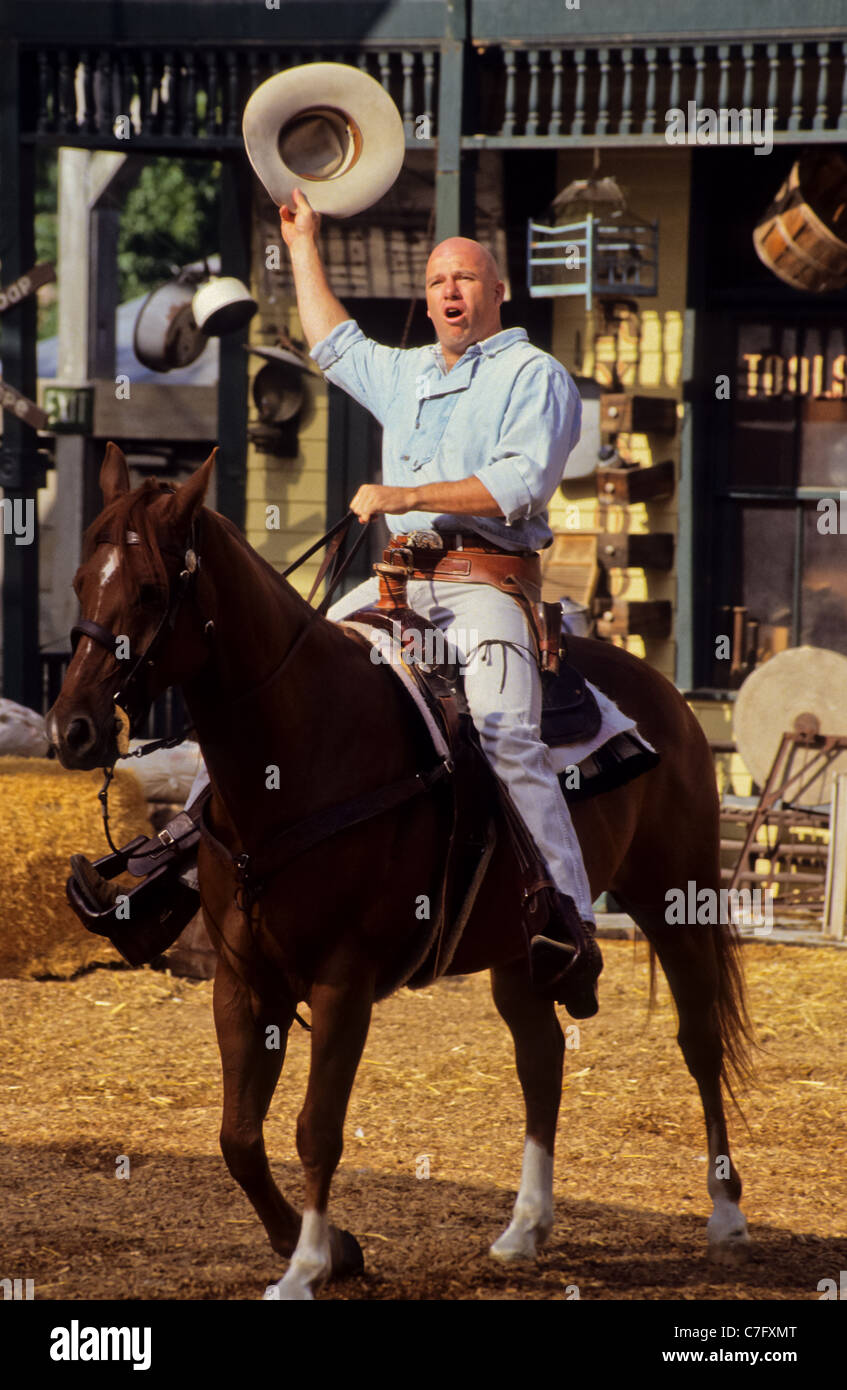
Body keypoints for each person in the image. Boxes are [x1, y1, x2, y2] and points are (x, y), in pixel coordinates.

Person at [70, 188, 602, 1018]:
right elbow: (334, 342)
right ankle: (169, 868)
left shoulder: (532, 375)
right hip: (397, 581)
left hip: (484, 585)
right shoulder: (412, 372)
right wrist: (304, 240)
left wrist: (401, 491)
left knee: (503, 731)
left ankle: (567, 918)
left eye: (465, 279)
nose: (449, 293)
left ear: (498, 294)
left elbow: (516, 485)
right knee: (276, 689)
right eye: (436, 283)